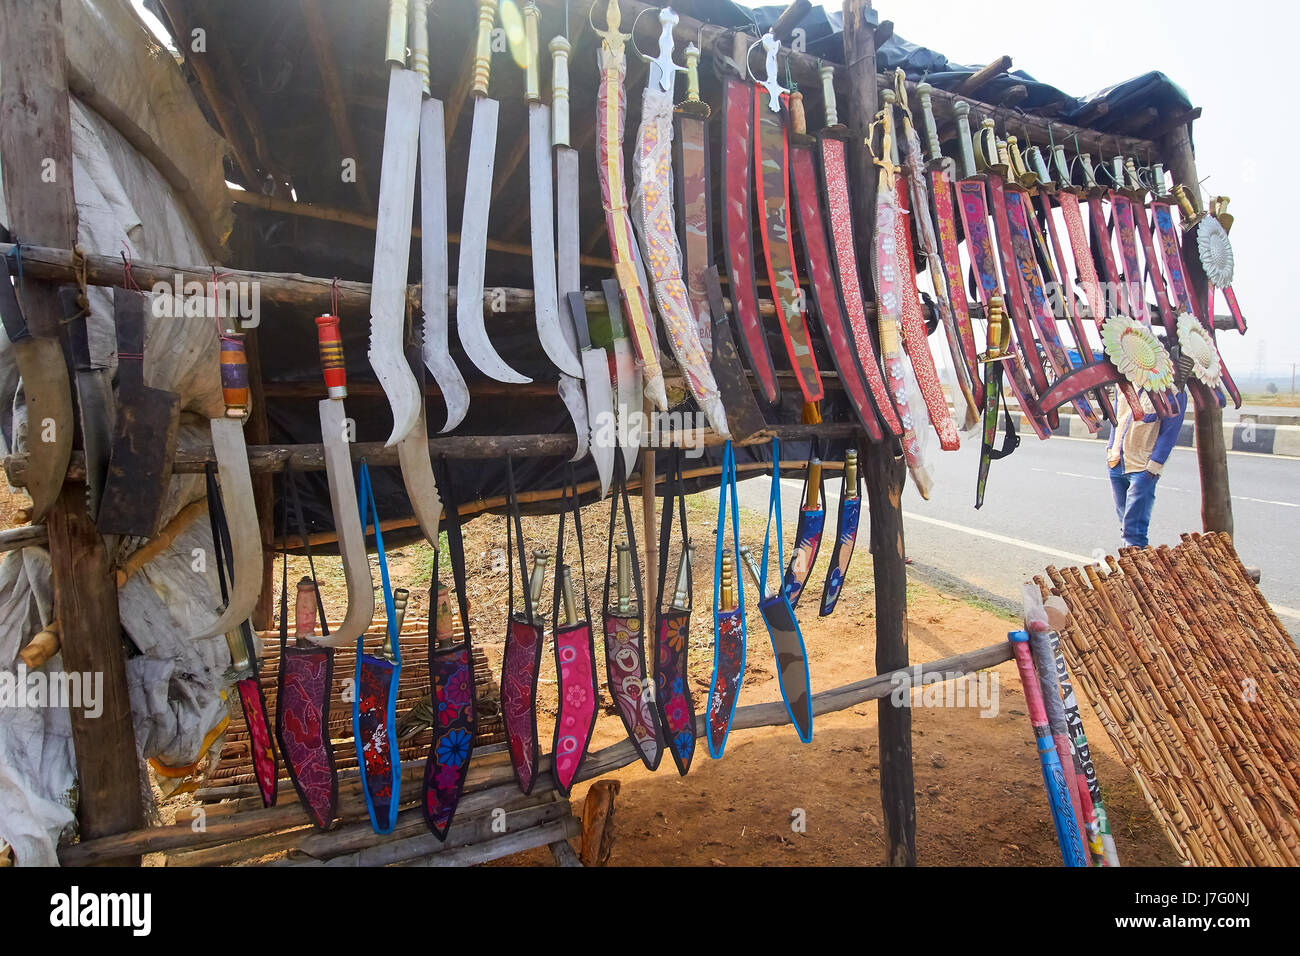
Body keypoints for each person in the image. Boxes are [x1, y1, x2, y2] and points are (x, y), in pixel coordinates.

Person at [1106, 383, 1187, 548]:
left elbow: (1169, 433)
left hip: (1143, 468)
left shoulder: (1172, 391)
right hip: (1116, 461)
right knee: (1125, 522)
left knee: (1134, 531)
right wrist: (1110, 449)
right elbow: (1117, 418)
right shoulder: (1122, 384)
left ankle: (1138, 568)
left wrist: (1153, 468)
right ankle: (1135, 565)